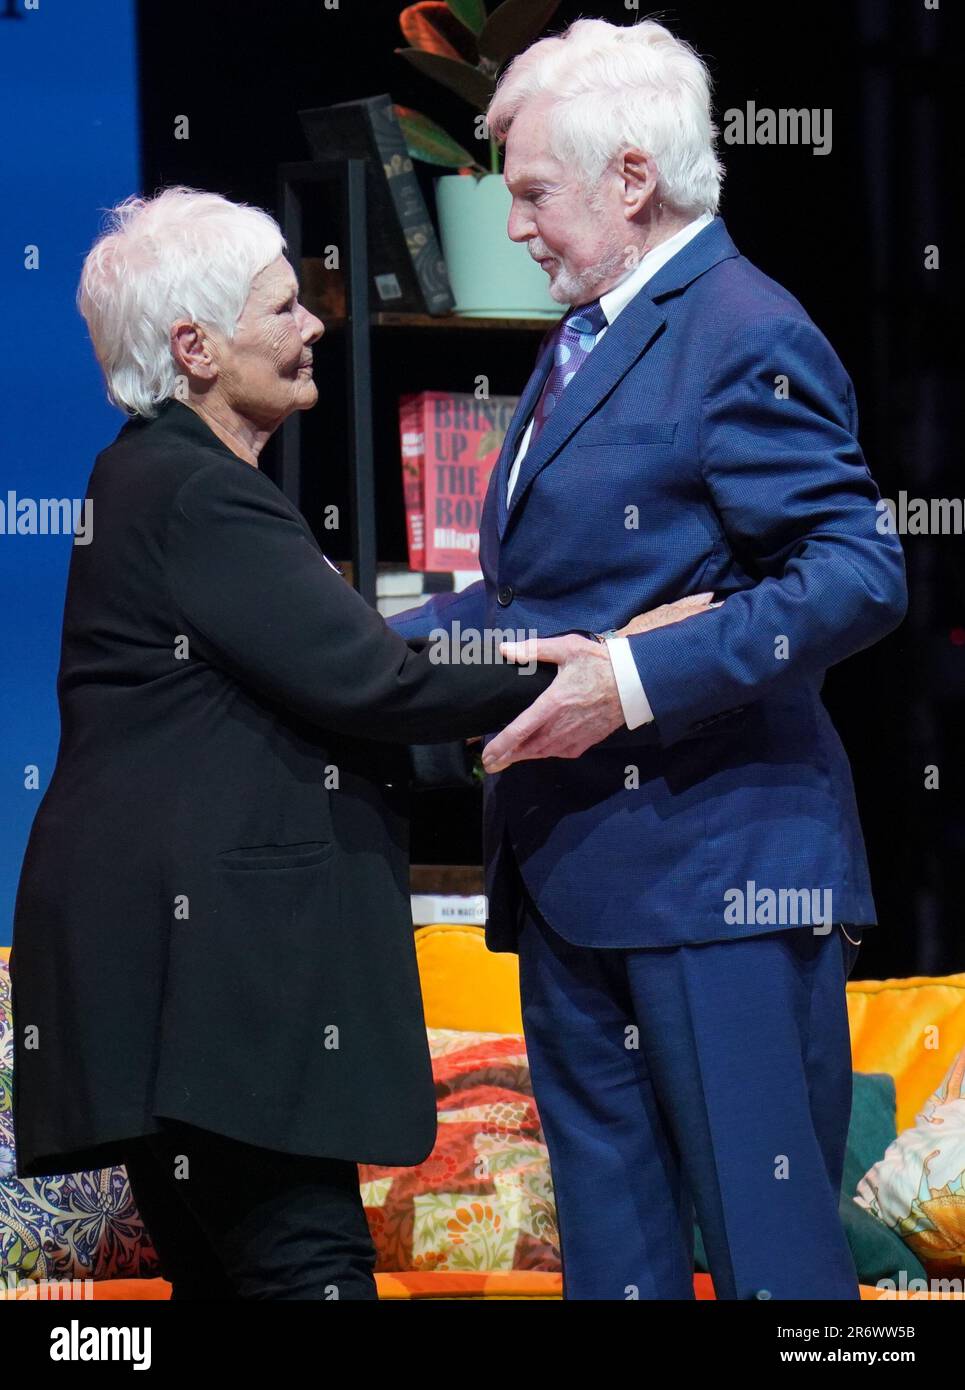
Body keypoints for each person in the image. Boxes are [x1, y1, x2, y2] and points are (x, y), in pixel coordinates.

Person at [9, 187, 696, 1300]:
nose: (313, 323)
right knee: (305, 1263)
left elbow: (330, 668)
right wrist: (605, 659)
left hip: (162, 984)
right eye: (283, 307)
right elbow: (376, 677)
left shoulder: (153, 480)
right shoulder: (192, 491)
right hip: (215, 989)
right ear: (194, 346)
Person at [388, 18, 908, 1300]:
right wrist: (315, 643)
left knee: (769, 1266)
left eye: (529, 194)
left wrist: (626, 680)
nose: (510, 227)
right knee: (611, 1272)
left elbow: (854, 574)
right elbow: (530, 599)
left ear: (630, 180)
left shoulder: (741, 325)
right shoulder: (587, 337)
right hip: (575, 874)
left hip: (717, 879)